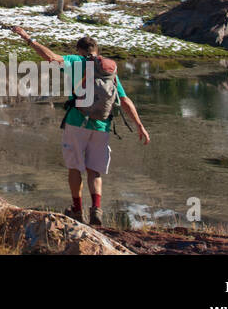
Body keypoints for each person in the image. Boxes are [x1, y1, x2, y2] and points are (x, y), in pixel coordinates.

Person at [9, 27, 149, 226]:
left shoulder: (76, 62)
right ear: (96, 50)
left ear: (79, 50)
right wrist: (140, 125)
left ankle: (76, 209)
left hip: (77, 122)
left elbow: (50, 57)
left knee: (75, 167)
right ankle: (96, 209)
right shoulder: (109, 71)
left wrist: (28, 39)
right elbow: (124, 100)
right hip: (102, 125)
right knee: (94, 170)